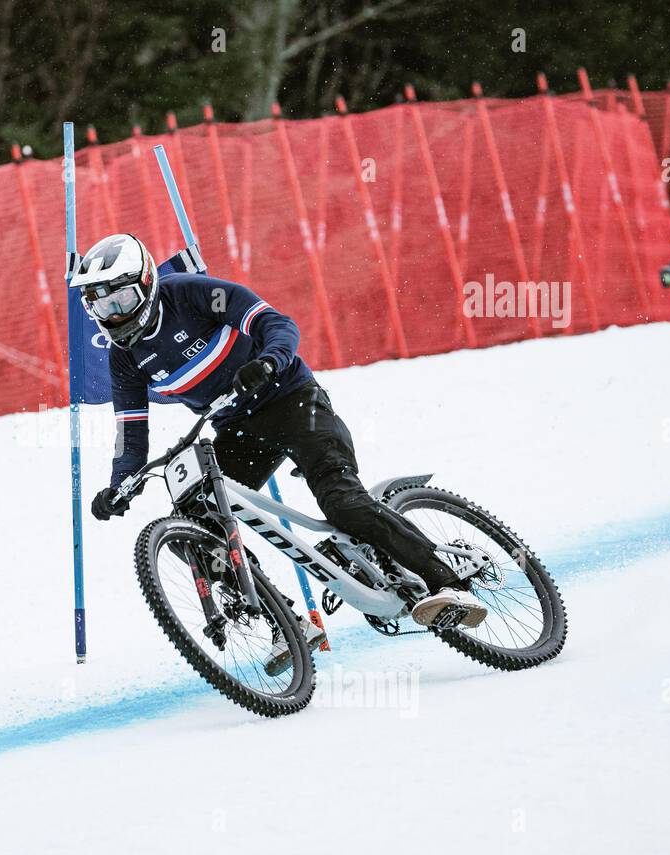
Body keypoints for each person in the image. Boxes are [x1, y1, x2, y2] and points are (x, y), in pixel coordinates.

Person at [71, 233, 487, 648]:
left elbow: (277, 324)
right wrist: (120, 483)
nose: (113, 315)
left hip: (293, 402)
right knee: (194, 526)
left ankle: (447, 581)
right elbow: (131, 429)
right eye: (101, 305)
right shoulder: (124, 357)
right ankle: (284, 622)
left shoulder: (190, 294)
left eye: (120, 300)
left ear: (146, 283)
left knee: (342, 502)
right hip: (236, 429)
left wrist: (269, 360)